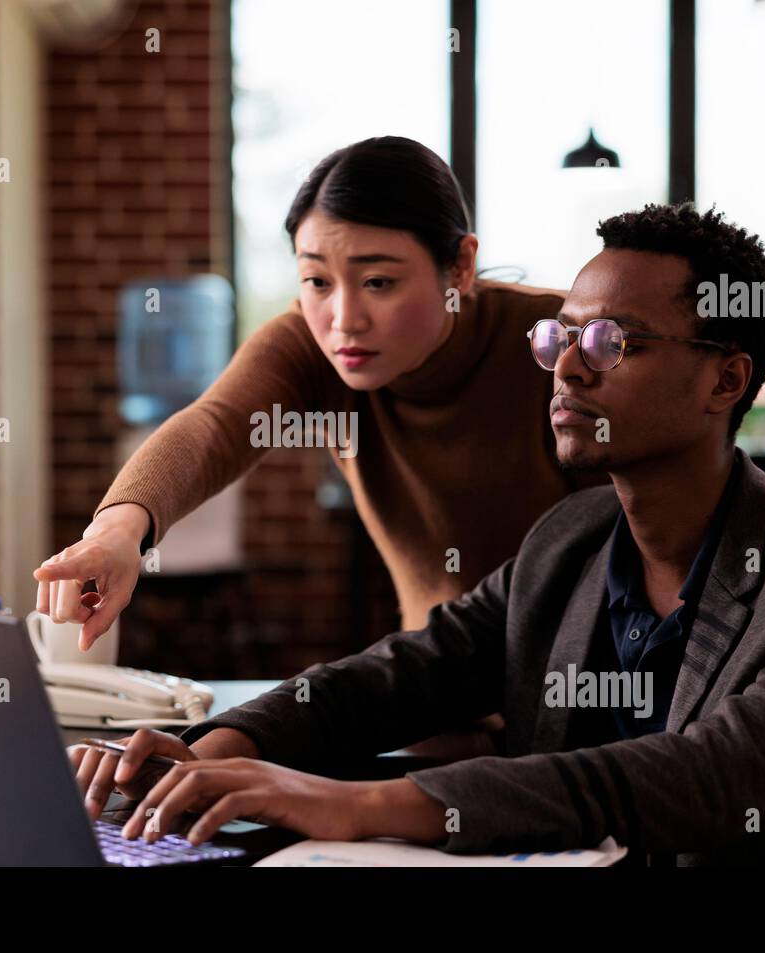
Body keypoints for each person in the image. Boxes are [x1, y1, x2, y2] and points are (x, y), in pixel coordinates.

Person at [69, 203, 765, 865]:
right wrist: (217, 749)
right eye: (560, 336)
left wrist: (351, 804)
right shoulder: (572, 538)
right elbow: (391, 679)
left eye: (612, 341)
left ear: (725, 380)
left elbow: (709, 775)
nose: (567, 365)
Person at [33, 136, 603, 649]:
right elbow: (214, 426)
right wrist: (115, 534)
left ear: (459, 265)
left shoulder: (555, 343)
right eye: (317, 281)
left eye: (378, 282)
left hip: (586, 683)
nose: (344, 320)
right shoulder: (312, 344)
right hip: (442, 683)